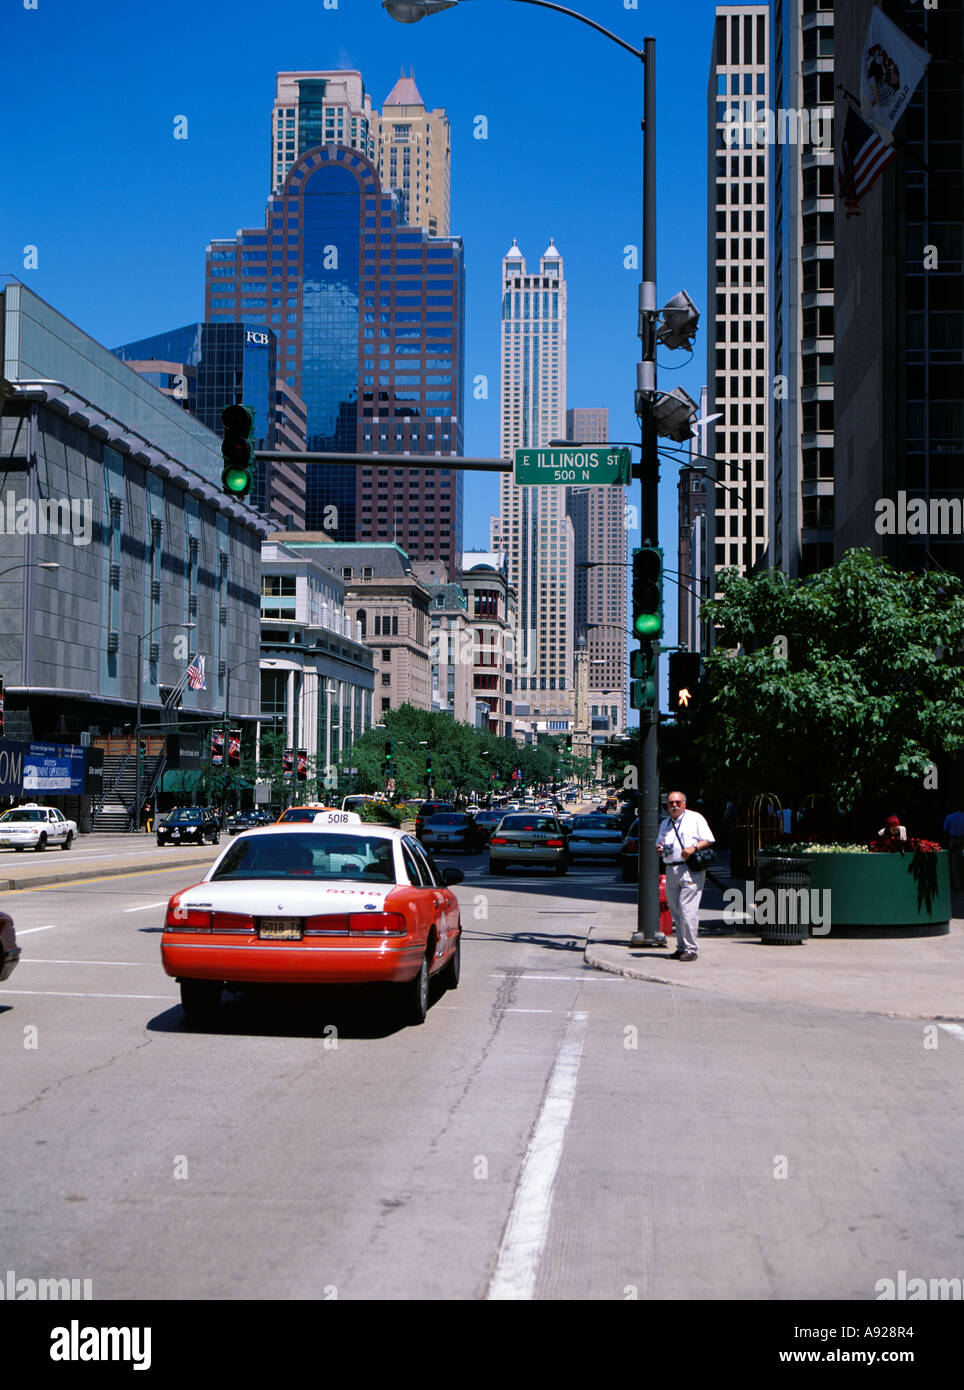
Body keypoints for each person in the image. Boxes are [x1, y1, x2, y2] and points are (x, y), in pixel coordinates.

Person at [655, 791, 715, 962]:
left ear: (684, 804)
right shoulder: (665, 823)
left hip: (689, 870)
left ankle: (691, 948)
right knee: (676, 911)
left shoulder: (695, 819)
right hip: (670, 869)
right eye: (670, 803)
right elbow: (658, 844)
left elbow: (709, 839)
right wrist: (659, 849)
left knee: (687, 910)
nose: (674, 806)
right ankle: (681, 947)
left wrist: (694, 848)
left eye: (677, 802)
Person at [943, 809, 964, 889]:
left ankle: (957, 884)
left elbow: (945, 829)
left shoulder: (950, 816)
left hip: (954, 840)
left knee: (954, 863)